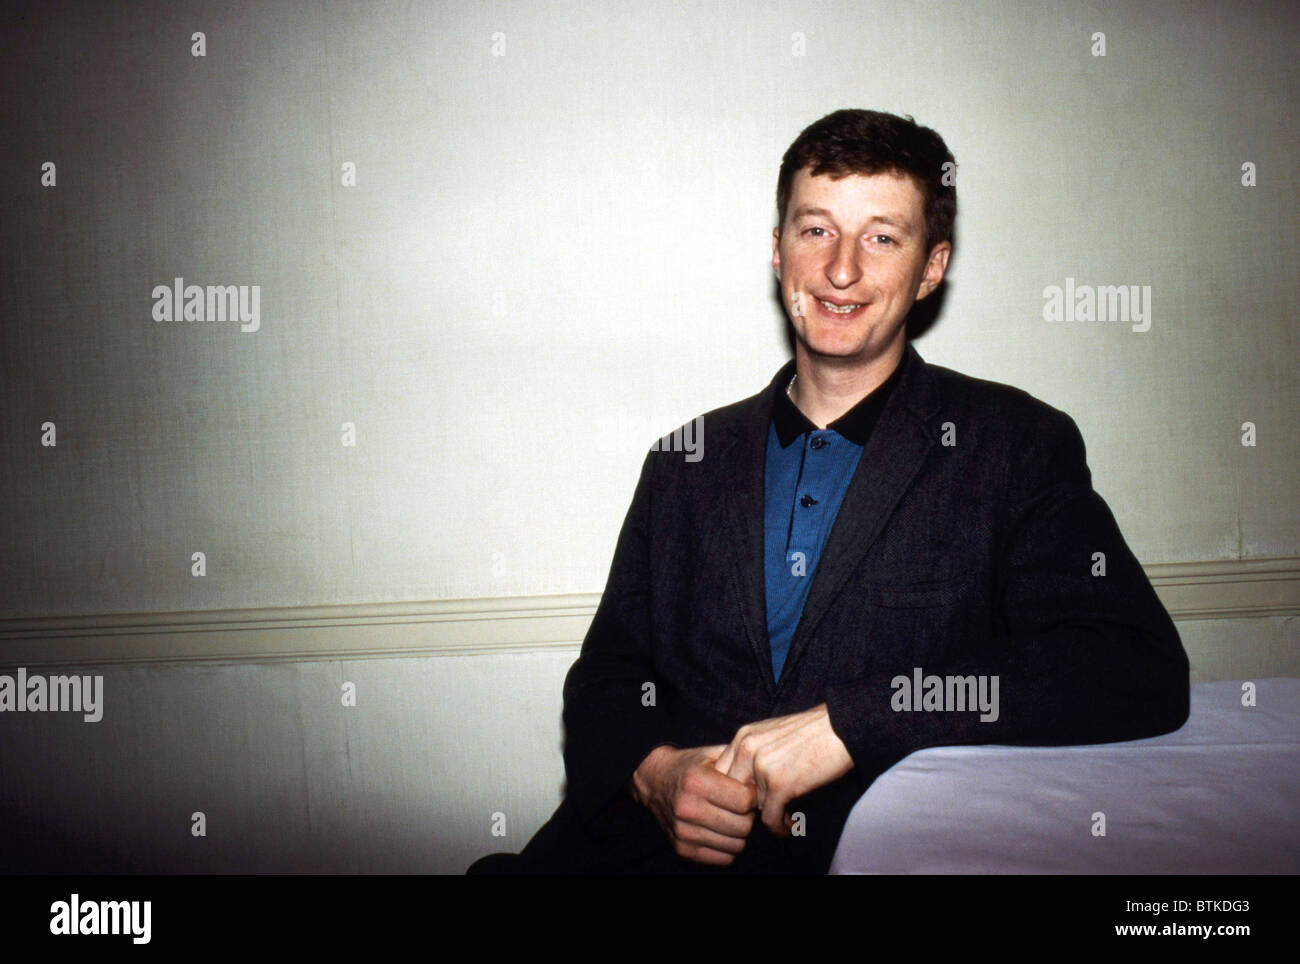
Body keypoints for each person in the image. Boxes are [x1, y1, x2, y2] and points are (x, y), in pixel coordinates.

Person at [469, 108, 1189, 875]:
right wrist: (654, 775)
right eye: (815, 231)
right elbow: (609, 678)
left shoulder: (1011, 446)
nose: (842, 269)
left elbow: (1132, 667)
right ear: (777, 252)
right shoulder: (685, 459)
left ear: (931, 267)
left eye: (882, 237)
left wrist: (855, 722)